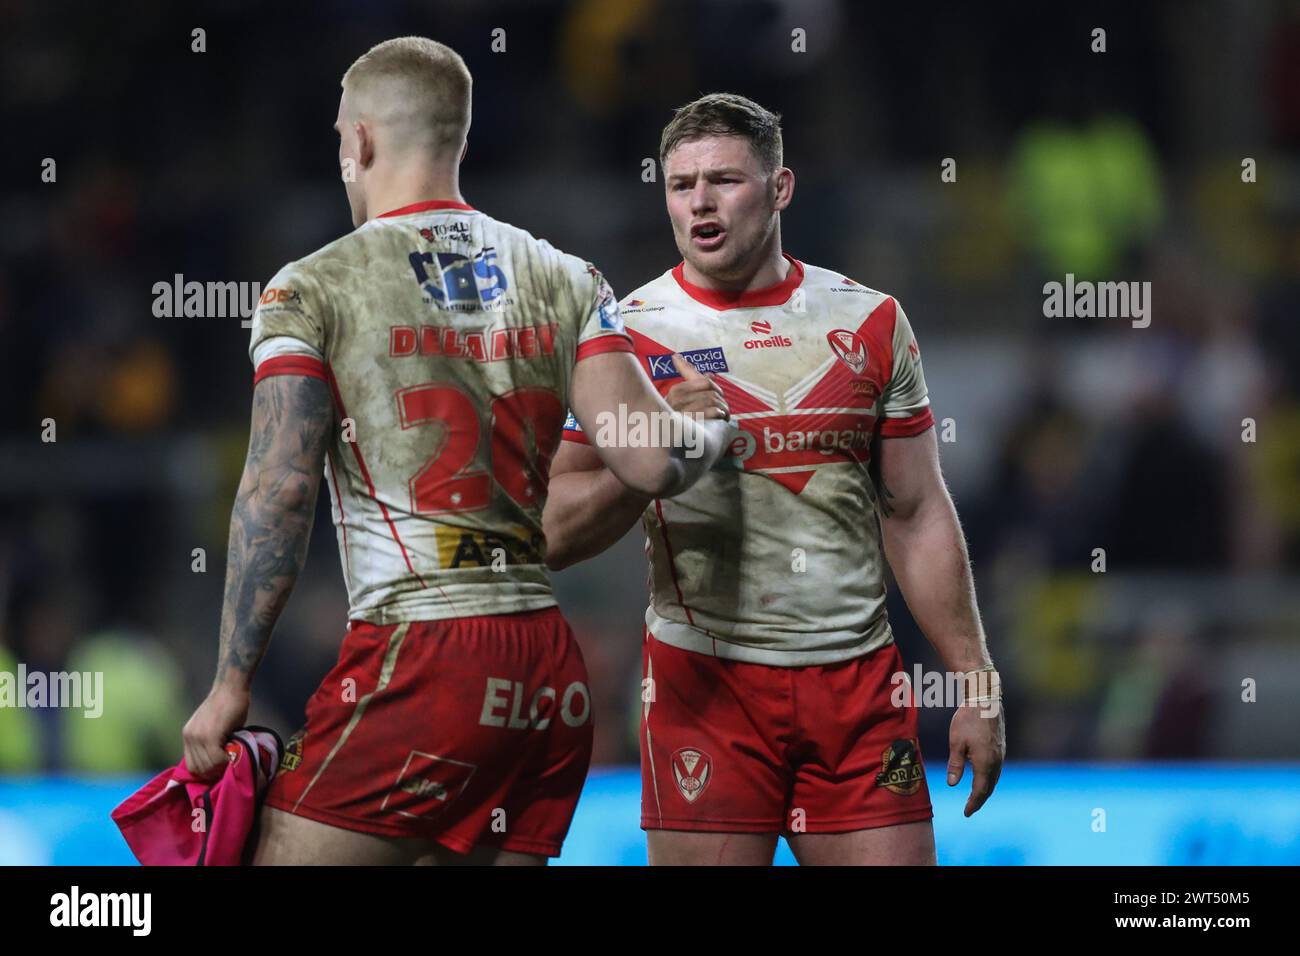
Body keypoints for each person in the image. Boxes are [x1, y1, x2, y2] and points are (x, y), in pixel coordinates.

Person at [180, 37, 727, 866]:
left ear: (360, 141)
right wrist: (712, 426)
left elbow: (279, 492)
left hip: (423, 658)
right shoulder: (565, 275)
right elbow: (650, 462)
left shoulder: (313, 286)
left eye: (340, 141)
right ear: (457, 140)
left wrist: (229, 684)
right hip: (546, 675)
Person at [544, 93, 1005, 865]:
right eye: (680, 184)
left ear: (780, 187)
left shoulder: (870, 322)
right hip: (705, 687)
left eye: (724, 180)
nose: (699, 203)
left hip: (858, 689)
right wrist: (655, 453)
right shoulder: (624, 334)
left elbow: (918, 511)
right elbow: (554, 529)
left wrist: (975, 679)